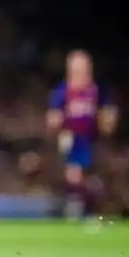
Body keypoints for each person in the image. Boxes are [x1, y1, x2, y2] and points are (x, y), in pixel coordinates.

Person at [45, 49, 117, 219]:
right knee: (74, 174)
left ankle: (89, 207)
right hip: (72, 137)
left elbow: (109, 115)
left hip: (93, 139)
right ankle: (77, 209)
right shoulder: (62, 91)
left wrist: (106, 122)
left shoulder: (97, 90)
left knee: (91, 177)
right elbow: (53, 117)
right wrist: (57, 124)